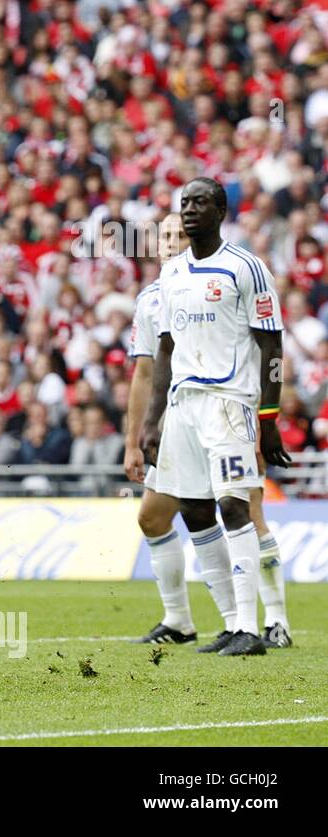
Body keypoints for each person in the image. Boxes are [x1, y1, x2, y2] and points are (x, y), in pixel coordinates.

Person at [126, 211, 293, 648]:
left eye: (180, 233)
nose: (172, 240)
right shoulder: (153, 297)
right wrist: (138, 435)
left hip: (231, 408)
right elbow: (147, 371)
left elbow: (266, 344)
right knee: (165, 513)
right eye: (165, 234)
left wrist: (263, 417)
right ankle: (200, 620)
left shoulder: (236, 272)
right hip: (181, 415)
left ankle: (272, 620)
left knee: (245, 508)